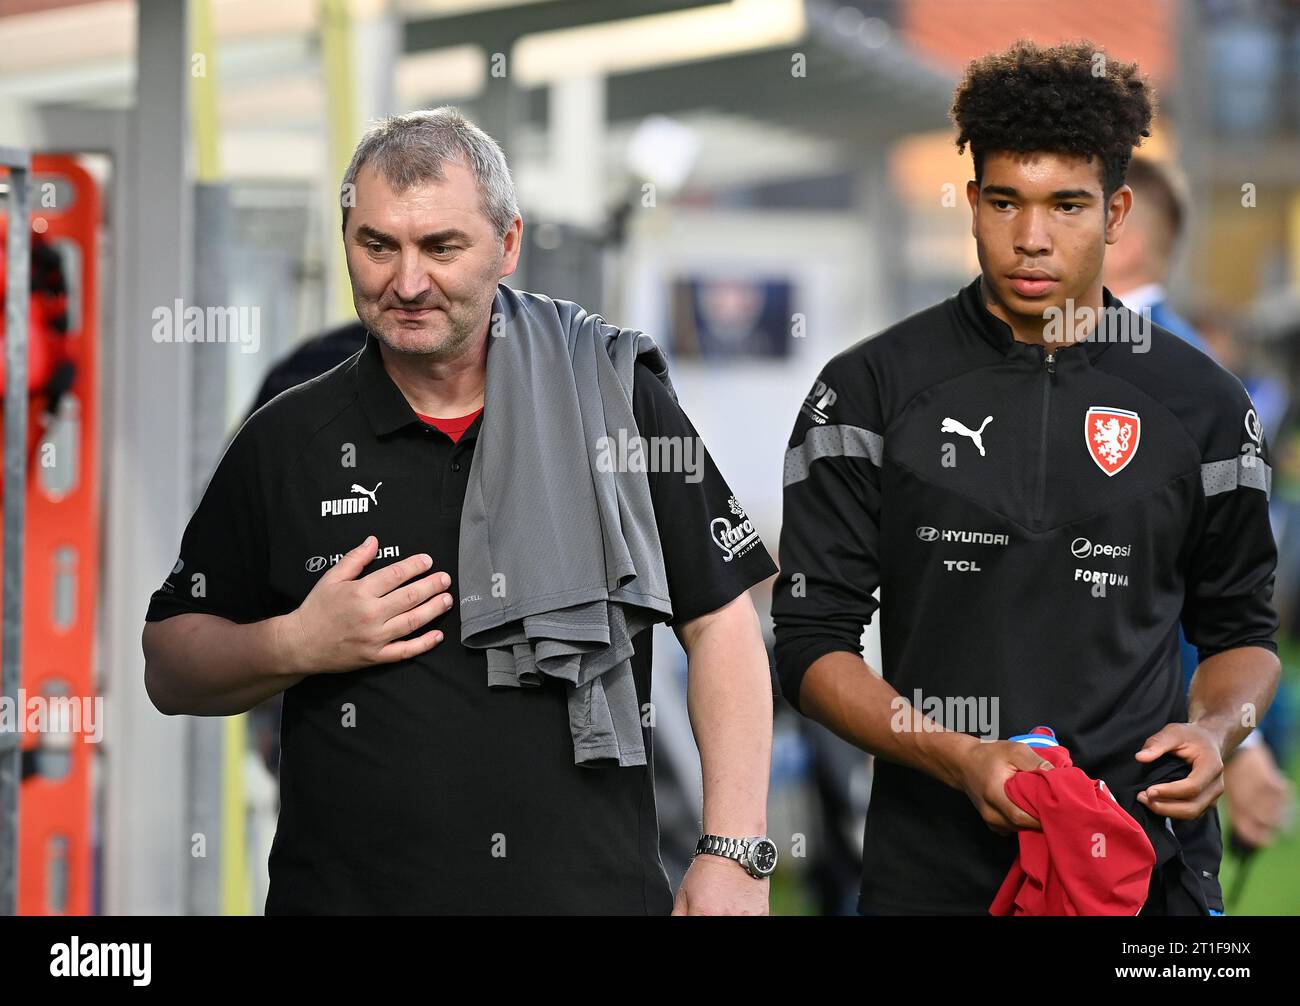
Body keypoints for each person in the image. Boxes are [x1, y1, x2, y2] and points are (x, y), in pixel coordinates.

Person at [142, 107, 778, 915]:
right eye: (378, 246)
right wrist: (297, 640)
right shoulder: (288, 440)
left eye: (441, 247)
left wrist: (734, 853)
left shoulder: (614, 401)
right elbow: (170, 665)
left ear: (508, 244)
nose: (407, 283)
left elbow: (721, 623)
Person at [772, 40, 1281, 915]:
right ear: (971, 200)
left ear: (1118, 211)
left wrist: (1214, 733)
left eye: (1068, 206)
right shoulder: (867, 391)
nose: (1032, 239)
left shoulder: (1203, 403)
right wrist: (960, 756)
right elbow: (813, 646)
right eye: (1005, 201)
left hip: (1149, 874)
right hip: (931, 875)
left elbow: (1243, 635)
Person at [1104, 157, 1293, 861]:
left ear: (1118, 230)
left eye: (1068, 209)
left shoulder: (1167, 374)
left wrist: (1235, 744)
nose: (1034, 235)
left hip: (1135, 742)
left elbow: (1189, 579)